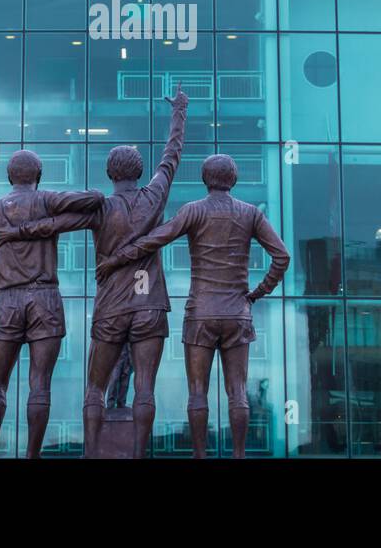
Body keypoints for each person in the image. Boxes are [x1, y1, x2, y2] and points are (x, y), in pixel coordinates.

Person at [0, 86, 188, 458]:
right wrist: (179, 111)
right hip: (150, 305)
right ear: (140, 171)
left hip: (112, 306)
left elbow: (54, 224)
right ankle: (139, 451)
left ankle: (92, 452)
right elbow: (172, 154)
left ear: (109, 173)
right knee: (145, 387)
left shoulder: (101, 208)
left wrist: (15, 231)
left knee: (95, 388)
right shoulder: (156, 194)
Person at [94, 153, 289, 458]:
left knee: (198, 392)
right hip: (237, 312)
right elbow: (282, 257)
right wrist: (257, 293)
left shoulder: (193, 211)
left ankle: (200, 455)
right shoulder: (251, 213)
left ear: (204, 180)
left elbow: (155, 239)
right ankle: (239, 455)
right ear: (233, 179)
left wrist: (116, 258)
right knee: (238, 392)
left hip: (200, 314)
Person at [0, 150, 103, 458]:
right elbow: (94, 199)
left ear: (10, 177)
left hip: (6, 299)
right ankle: (32, 454)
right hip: (44, 298)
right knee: (40, 384)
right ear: (38, 176)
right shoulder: (47, 200)